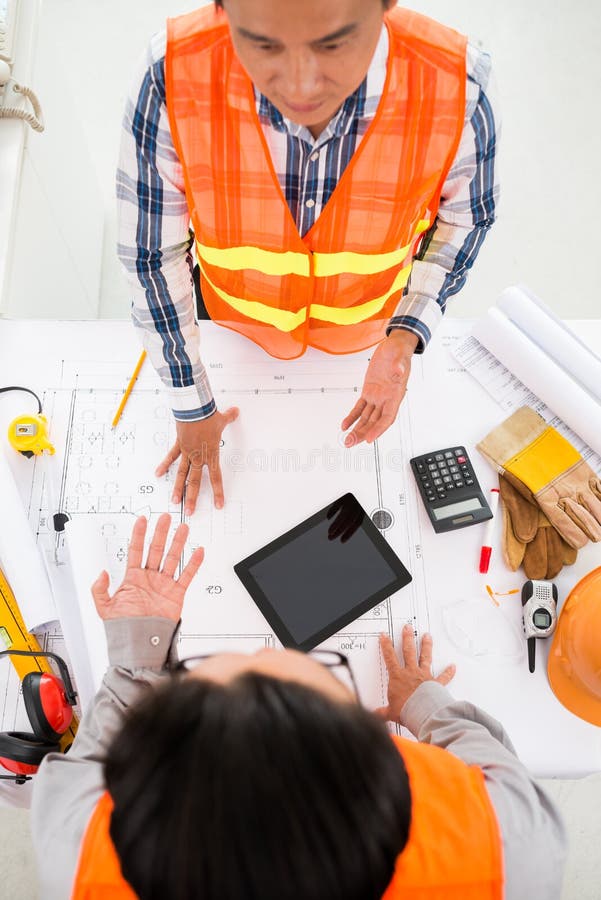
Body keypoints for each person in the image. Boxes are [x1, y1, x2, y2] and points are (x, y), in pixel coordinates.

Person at [31, 515, 566, 899]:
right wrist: (423, 700)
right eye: (319, 676)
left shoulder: (82, 855)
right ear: (381, 756)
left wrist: (141, 651)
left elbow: (92, 757)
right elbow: (492, 759)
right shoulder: (507, 847)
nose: (263, 653)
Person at [116, 0, 499, 513]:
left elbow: (465, 220)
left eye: (332, 44)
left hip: (367, 331)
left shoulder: (454, 87)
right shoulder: (172, 78)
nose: (298, 87)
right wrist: (190, 400)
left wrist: (405, 336)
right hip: (237, 330)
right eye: (263, 44)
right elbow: (150, 255)